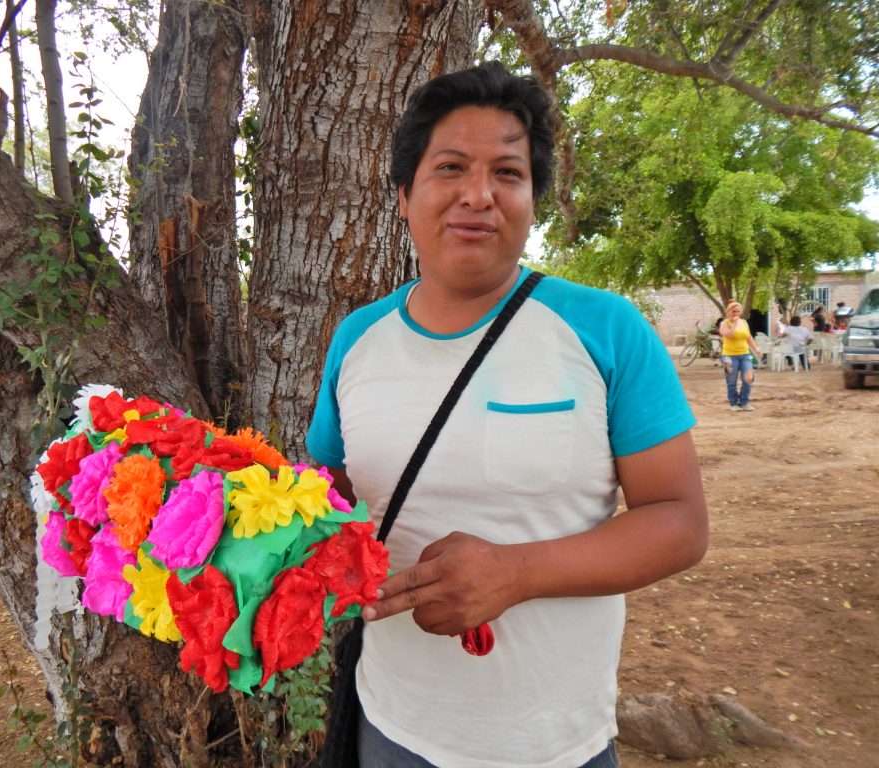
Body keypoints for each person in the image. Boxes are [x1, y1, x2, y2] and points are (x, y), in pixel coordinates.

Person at [307, 62, 708, 768]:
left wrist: (517, 572)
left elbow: (679, 521)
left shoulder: (606, 329)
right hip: (392, 725)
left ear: (533, 199)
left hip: (558, 743)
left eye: (508, 174)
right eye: (451, 167)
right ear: (404, 195)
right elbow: (326, 494)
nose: (477, 196)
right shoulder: (356, 340)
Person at [718, 300, 762, 411]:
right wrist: (734, 324)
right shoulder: (724, 324)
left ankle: (744, 402)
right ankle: (733, 403)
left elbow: (748, 337)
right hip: (729, 356)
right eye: (733, 311)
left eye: (738, 311)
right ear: (728, 312)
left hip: (745, 354)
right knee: (731, 380)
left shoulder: (744, 322)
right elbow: (729, 335)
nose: (736, 313)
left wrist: (756, 348)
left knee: (748, 378)